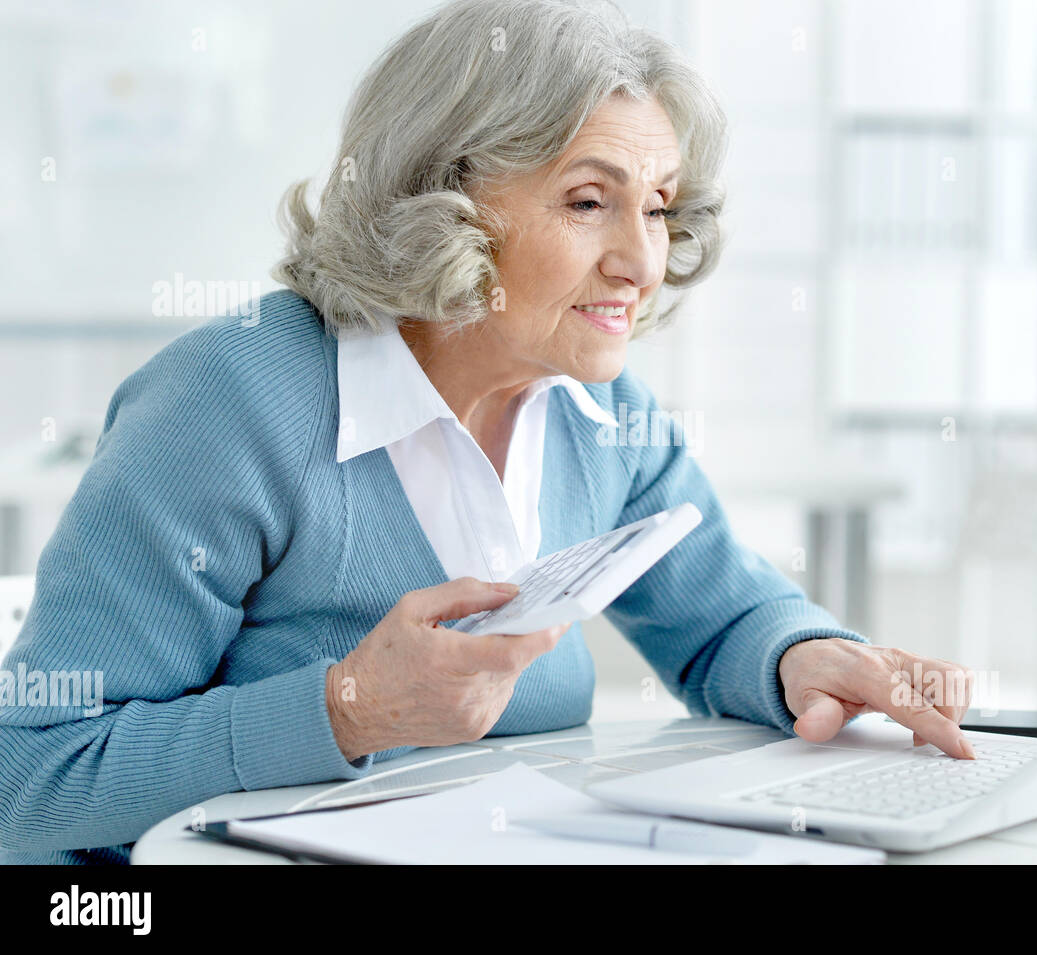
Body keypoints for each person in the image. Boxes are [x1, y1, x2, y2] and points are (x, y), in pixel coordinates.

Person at [0, 0, 973, 865]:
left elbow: (721, 617)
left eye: (658, 206)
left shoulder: (602, 413)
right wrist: (344, 708)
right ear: (444, 201)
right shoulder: (229, 402)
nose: (642, 258)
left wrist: (799, 654)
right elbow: (27, 772)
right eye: (588, 201)